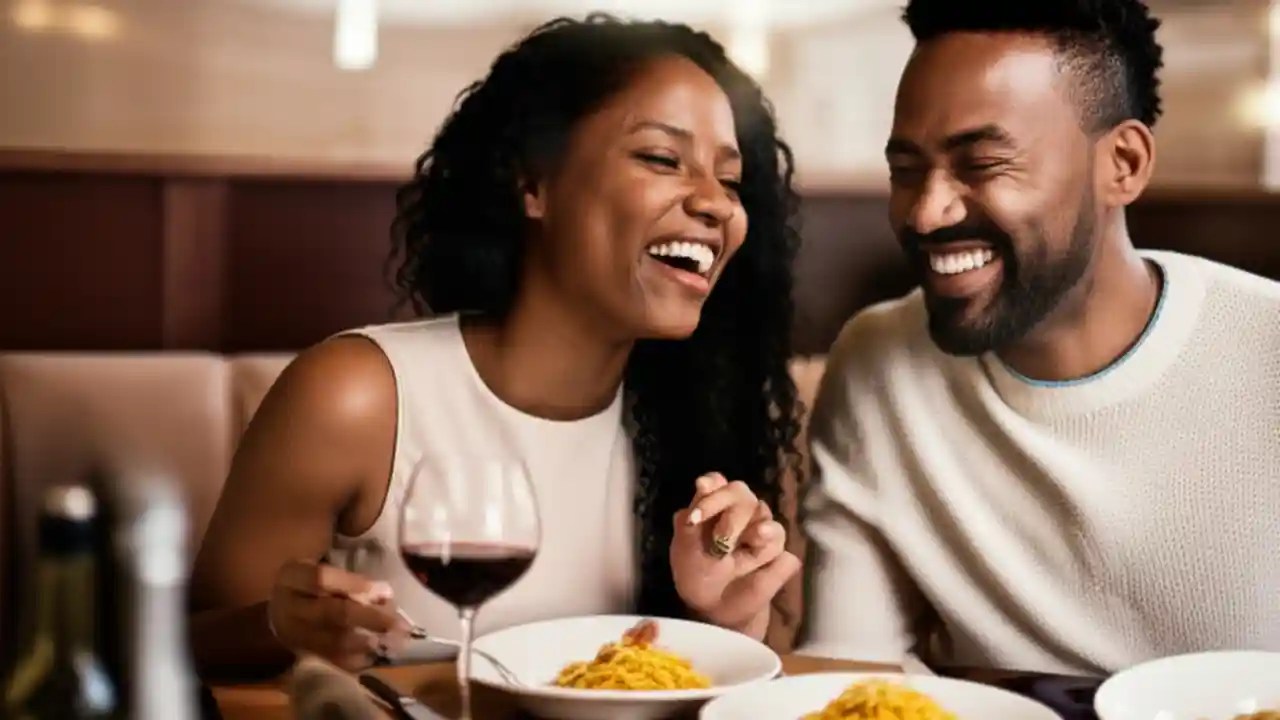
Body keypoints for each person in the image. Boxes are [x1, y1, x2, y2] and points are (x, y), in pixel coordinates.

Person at [189, 14, 804, 678]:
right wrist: (286, 628)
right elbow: (189, 645)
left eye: (732, 182)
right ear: (534, 185)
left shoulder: (713, 424)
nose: (716, 204)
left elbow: (757, 683)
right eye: (661, 158)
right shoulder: (356, 396)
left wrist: (726, 622)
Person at [798, 0, 1280, 676]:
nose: (928, 210)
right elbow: (848, 677)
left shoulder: (1267, 349)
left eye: (985, 164)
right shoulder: (878, 360)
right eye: (906, 170)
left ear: (1124, 164)